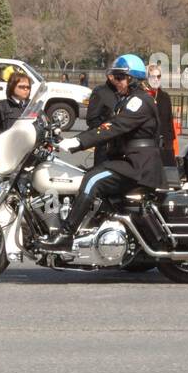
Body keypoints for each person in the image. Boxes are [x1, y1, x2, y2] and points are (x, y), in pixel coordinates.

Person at [40, 55, 164, 248]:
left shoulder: (139, 101)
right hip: (129, 160)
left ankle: (66, 234)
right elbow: (106, 126)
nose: (117, 81)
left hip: (139, 165)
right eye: (116, 77)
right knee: (89, 175)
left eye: (121, 78)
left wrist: (77, 142)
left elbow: (115, 126)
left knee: (92, 180)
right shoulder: (127, 99)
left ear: (133, 79)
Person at [84, 66, 122, 165]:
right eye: (118, 77)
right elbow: (91, 119)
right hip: (105, 146)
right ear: (110, 76)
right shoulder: (100, 92)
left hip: (122, 147)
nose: (121, 80)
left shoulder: (124, 92)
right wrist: (107, 127)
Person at [0, 71, 32, 141]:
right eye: (21, 86)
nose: (26, 89)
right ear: (12, 86)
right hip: (8, 149)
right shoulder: (0, 107)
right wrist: (2, 142)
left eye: (28, 87)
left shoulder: (32, 106)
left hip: (30, 149)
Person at [145, 62, 177, 170]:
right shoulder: (142, 96)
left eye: (158, 76)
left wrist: (170, 141)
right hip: (148, 141)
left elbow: (169, 120)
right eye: (153, 76)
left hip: (165, 142)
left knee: (168, 171)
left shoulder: (165, 97)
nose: (156, 79)